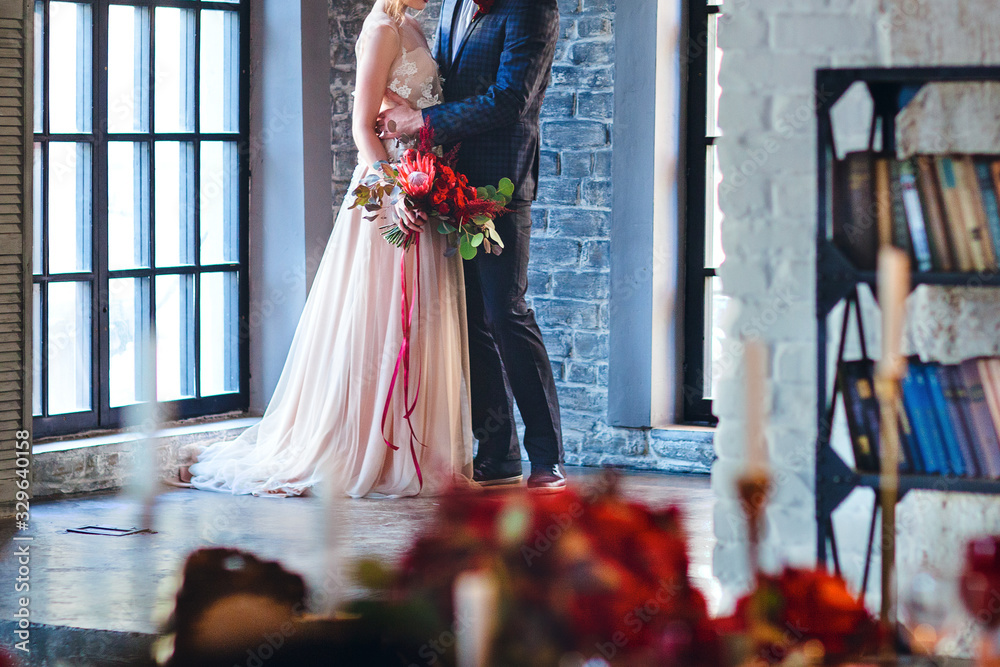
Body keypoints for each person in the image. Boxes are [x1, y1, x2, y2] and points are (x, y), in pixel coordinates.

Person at [185, 0, 474, 498]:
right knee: (380, 313)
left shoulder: (414, 27)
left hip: (424, 186)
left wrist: (430, 181)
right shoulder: (383, 29)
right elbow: (363, 126)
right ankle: (361, 445)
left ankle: (414, 449)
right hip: (388, 196)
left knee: (422, 310)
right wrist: (397, 191)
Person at [377, 0, 566, 492]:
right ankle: (497, 454)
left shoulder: (532, 9)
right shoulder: (454, 6)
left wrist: (425, 123)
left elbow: (510, 98)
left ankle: (547, 458)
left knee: (507, 314)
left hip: (500, 183)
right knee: (471, 321)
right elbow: (448, 83)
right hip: (444, 181)